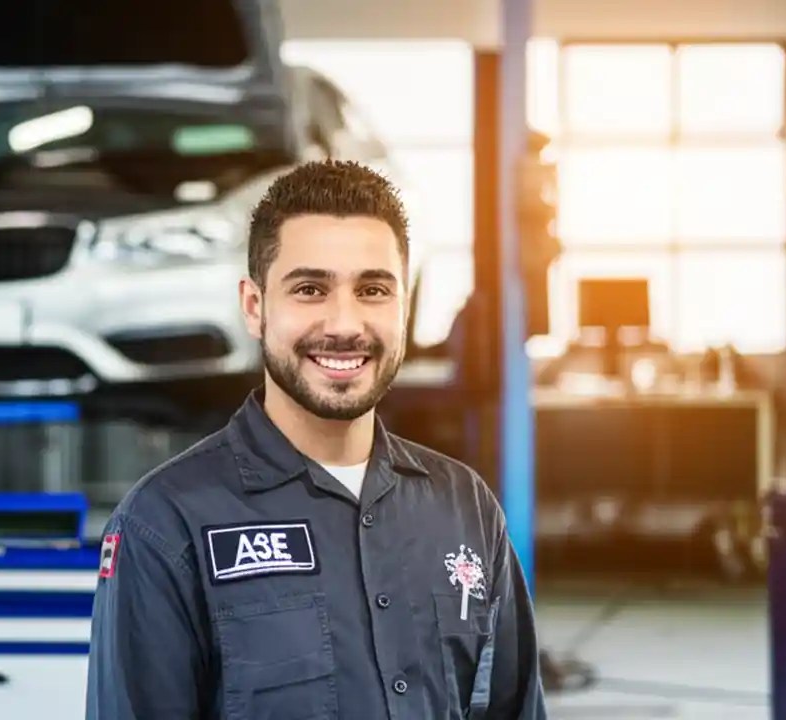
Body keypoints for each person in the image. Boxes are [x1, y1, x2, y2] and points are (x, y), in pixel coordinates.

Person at [86, 159, 546, 719]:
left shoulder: (463, 507)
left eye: (373, 289)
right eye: (310, 289)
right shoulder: (166, 524)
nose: (344, 324)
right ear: (255, 307)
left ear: (404, 306)